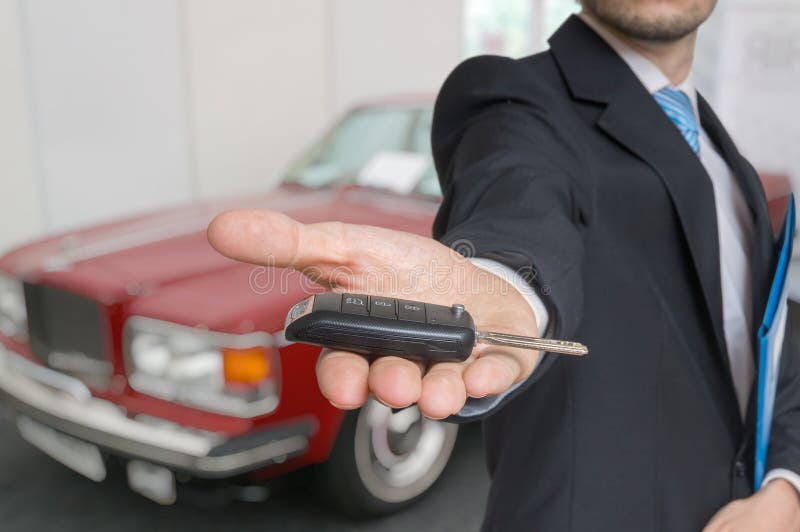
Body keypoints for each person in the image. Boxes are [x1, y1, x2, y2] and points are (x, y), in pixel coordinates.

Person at [207, 1, 800, 529]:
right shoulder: (513, 96)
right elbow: (518, 192)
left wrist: (784, 485)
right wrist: (508, 281)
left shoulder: (730, 158)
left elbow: (772, 342)